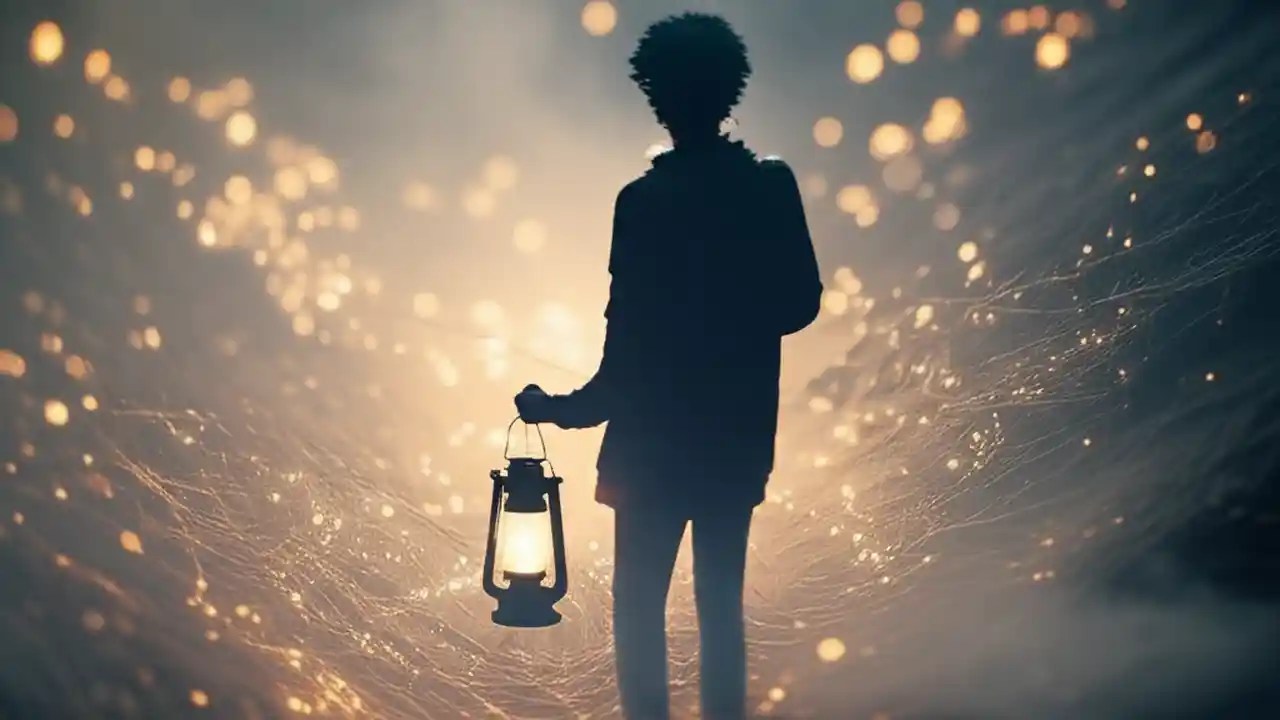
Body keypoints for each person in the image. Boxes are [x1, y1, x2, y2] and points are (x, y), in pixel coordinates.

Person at [515, 12, 821, 720]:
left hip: (648, 449)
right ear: (730, 89)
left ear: (655, 94)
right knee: (720, 610)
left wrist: (558, 408)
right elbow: (800, 302)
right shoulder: (770, 186)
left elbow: (624, 353)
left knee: (637, 613)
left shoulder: (642, 203)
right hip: (735, 441)